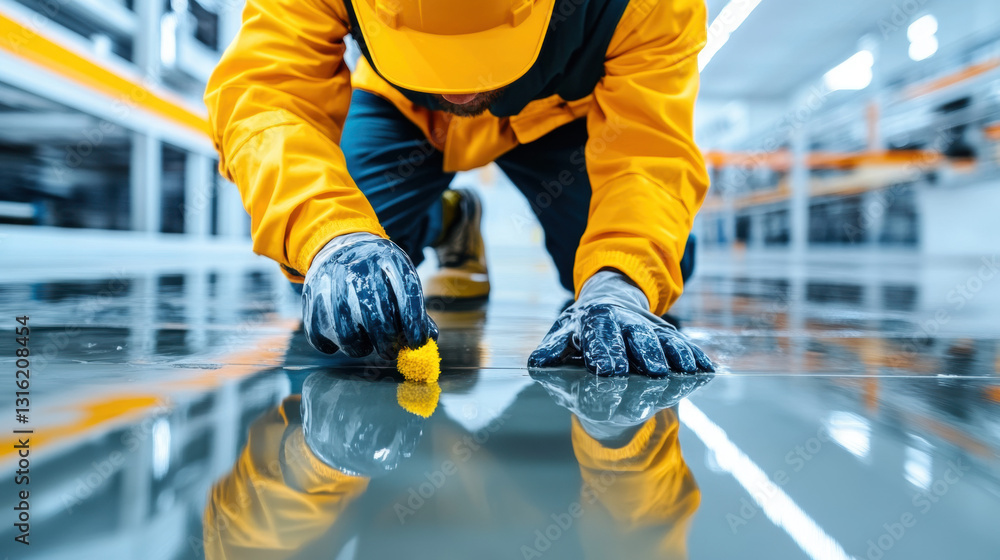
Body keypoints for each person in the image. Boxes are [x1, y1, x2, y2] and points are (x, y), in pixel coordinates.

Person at [205, 0, 715, 376]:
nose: (460, 89)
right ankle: (448, 218)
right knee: (342, 294)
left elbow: (647, 154)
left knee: (633, 271)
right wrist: (329, 238)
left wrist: (618, 285)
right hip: (407, 113)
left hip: (562, 123)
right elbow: (269, 97)